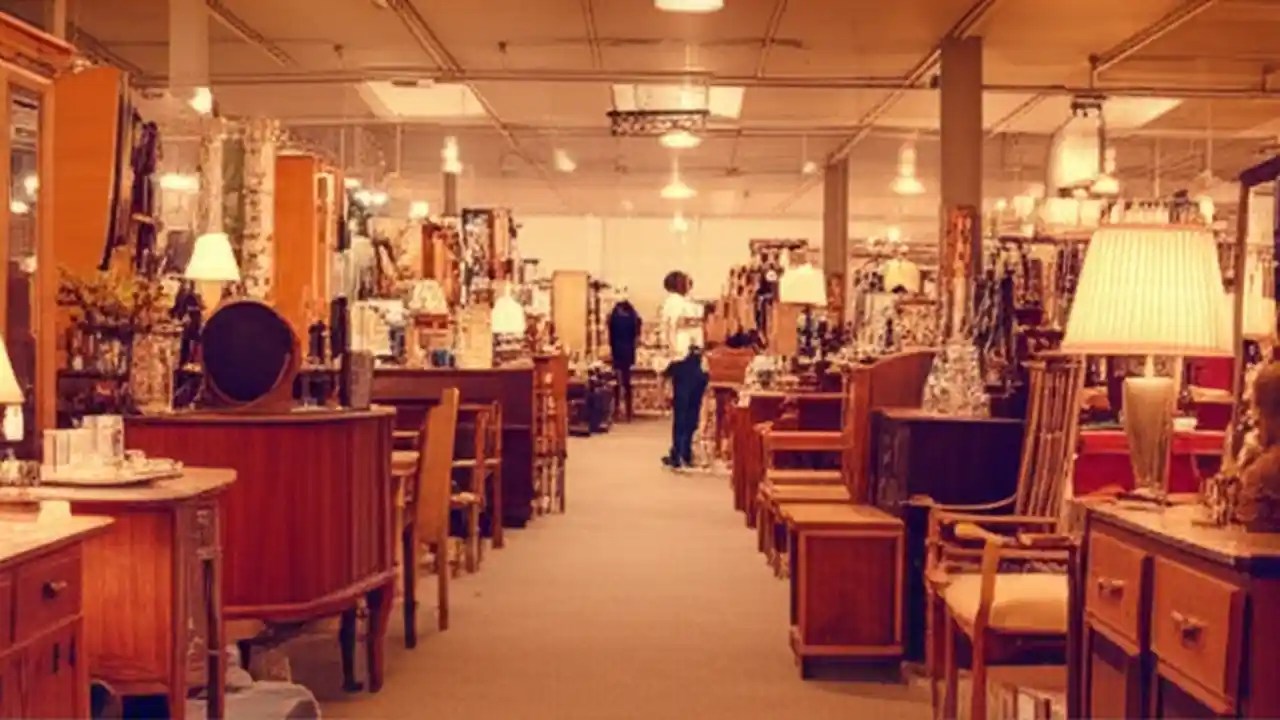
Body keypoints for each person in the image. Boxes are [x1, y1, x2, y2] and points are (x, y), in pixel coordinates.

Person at [660, 271, 708, 469]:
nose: (690, 284)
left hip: (691, 357)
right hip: (685, 358)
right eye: (687, 281)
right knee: (685, 407)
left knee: (689, 407)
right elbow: (676, 327)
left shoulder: (686, 303)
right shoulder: (674, 303)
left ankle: (682, 449)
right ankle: (680, 451)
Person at [607, 288, 642, 421]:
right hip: (628, 351)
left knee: (617, 381)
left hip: (617, 350)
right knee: (627, 381)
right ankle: (628, 411)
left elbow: (610, 333)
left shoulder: (614, 314)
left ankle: (617, 409)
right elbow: (637, 331)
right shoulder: (632, 313)